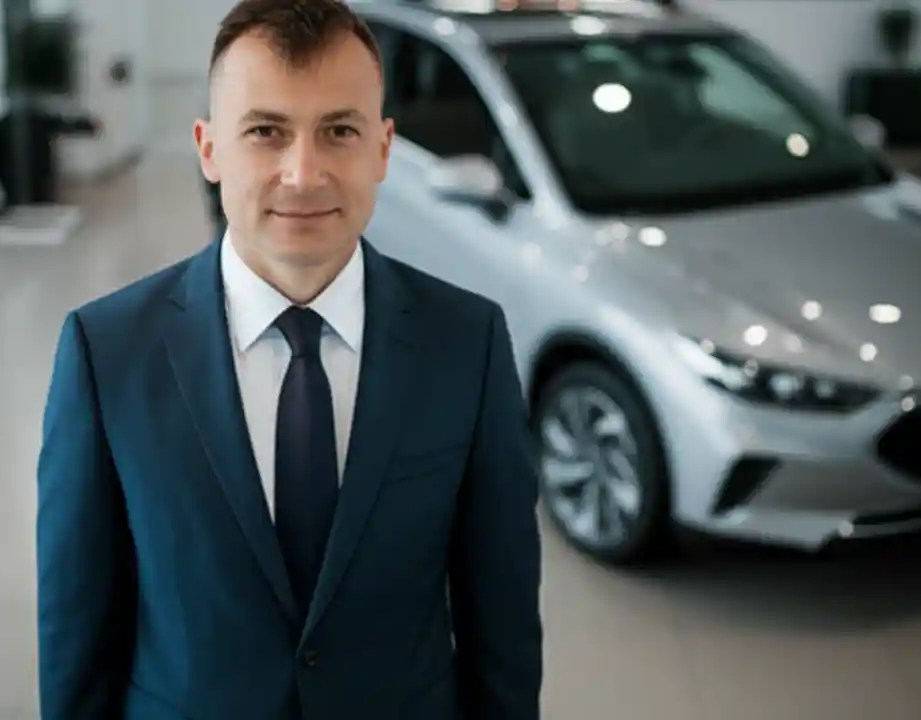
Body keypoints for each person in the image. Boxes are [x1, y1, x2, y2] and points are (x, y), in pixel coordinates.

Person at [34, 0, 543, 718]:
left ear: (383, 149)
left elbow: (505, 622)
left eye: (338, 131)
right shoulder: (105, 352)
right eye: (266, 132)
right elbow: (75, 628)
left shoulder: (468, 342)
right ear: (209, 149)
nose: (303, 174)